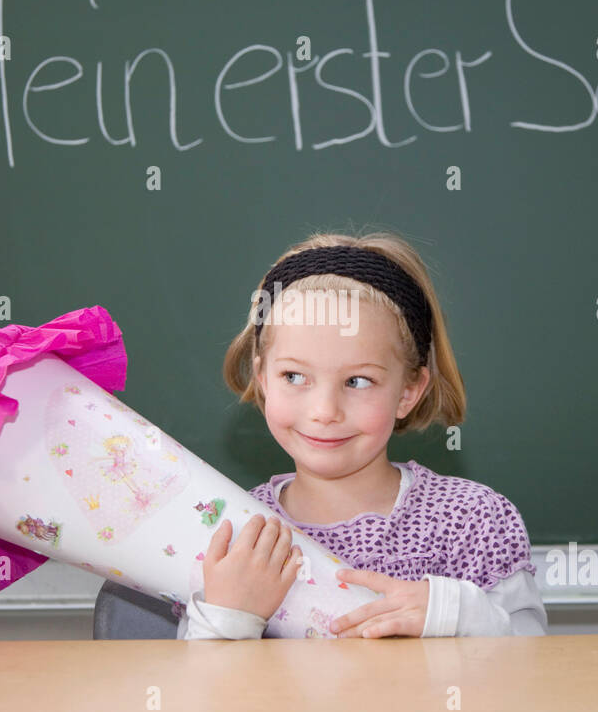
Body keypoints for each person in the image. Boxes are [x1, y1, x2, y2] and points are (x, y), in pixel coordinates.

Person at [177, 231, 548, 639]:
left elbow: (529, 672)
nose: (324, 412)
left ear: (408, 392)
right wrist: (230, 617)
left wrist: (455, 613)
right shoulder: (233, 534)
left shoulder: (472, 522)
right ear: (263, 377)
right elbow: (203, 699)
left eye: (358, 380)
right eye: (294, 376)